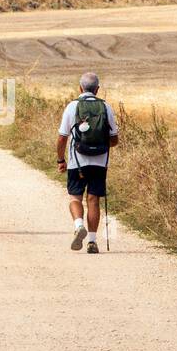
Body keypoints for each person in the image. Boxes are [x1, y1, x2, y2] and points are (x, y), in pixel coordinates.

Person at [56, 72, 119, 254]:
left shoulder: (72, 106)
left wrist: (61, 160)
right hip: (99, 162)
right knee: (93, 200)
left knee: (75, 197)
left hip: (77, 161)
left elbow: (62, 138)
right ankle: (92, 242)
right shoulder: (106, 107)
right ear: (97, 89)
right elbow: (114, 139)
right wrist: (100, 145)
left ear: (80, 88)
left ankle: (78, 225)